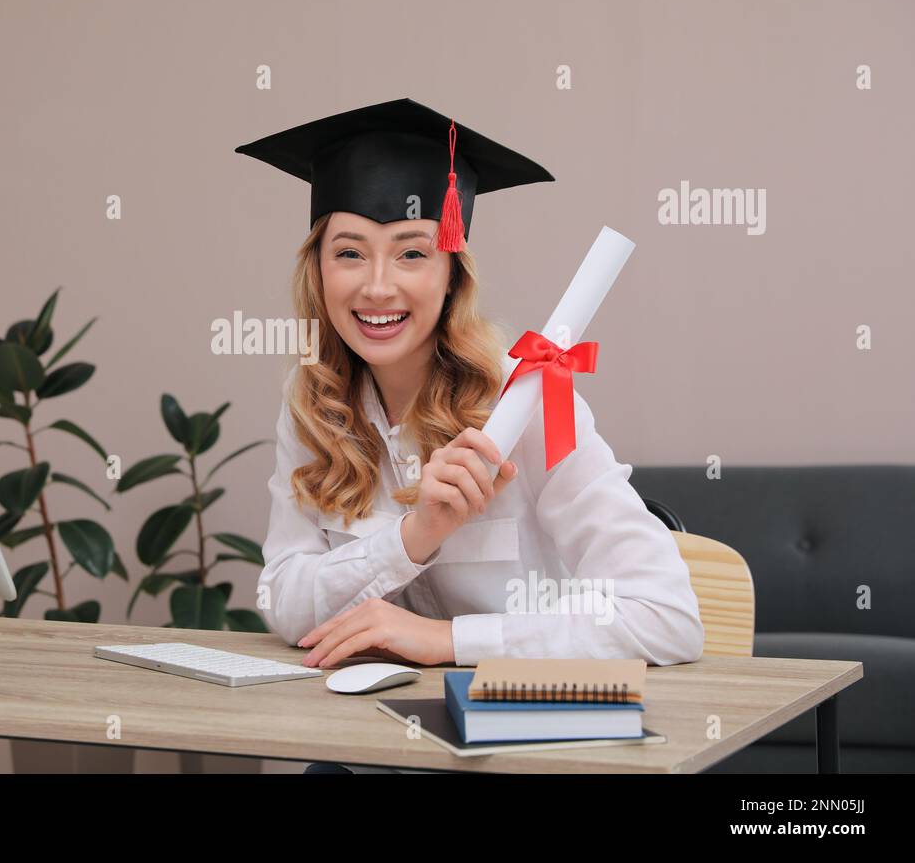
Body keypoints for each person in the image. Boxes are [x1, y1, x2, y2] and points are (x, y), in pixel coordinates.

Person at [235, 98, 705, 681]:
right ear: (319, 271)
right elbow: (284, 600)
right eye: (350, 253)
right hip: (375, 739)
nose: (378, 286)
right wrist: (414, 537)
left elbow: (668, 617)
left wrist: (449, 639)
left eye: (412, 253)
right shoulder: (313, 405)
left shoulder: (530, 401)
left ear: (452, 273)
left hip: (521, 744)